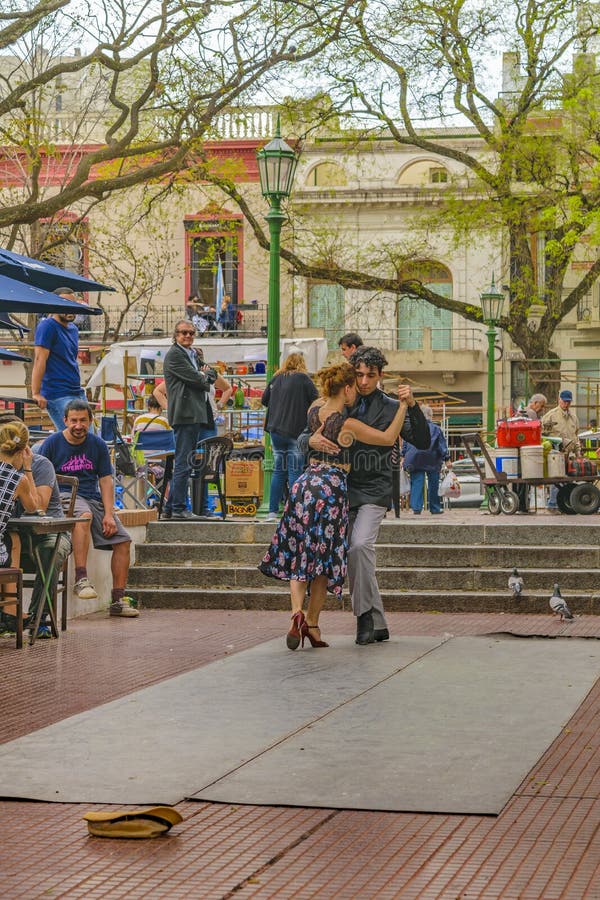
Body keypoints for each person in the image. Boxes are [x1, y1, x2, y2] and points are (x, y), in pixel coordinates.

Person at [260, 362, 409, 650]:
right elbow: (388, 438)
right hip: (330, 487)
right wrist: (403, 407)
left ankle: (297, 614)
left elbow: (303, 434)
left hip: (304, 484)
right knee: (323, 559)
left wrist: (309, 439)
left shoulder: (314, 409)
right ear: (348, 388)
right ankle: (312, 621)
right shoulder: (347, 422)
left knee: (300, 553)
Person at [302, 346, 430, 645]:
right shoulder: (339, 401)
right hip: (339, 489)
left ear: (380, 376)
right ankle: (377, 621)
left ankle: (363, 618)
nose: (363, 382)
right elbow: (303, 437)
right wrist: (310, 440)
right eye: (358, 375)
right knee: (351, 552)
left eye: (370, 376)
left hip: (375, 488)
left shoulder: (389, 406)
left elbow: (422, 440)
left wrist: (411, 406)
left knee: (359, 546)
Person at [38, 400, 139, 617]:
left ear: (90, 421)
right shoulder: (52, 443)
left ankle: (118, 600)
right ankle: (81, 579)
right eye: (73, 420)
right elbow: (42, 478)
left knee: (123, 540)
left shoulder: (98, 444)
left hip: (92, 498)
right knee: (83, 516)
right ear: (64, 421)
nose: (78, 425)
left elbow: (105, 480)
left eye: (83, 420)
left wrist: (110, 514)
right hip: (64, 496)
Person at [0, 412, 73, 640]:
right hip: (13, 534)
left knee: (49, 551)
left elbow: (38, 507)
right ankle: (9, 615)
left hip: (47, 533)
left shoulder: (41, 465)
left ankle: (37, 618)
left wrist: (28, 468)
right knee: (11, 541)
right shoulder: (12, 473)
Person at [162, 321, 218, 520]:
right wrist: (204, 375)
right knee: (184, 462)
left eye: (191, 333)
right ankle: (178, 508)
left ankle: (170, 508)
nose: (188, 336)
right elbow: (200, 380)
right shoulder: (175, 355)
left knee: (186, 460)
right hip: (185, 414)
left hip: (194, 414)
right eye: (184, 333)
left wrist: (205, 373)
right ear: (175, 335)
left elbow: (211, 373)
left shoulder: (193, 354)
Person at [261, 353, 319, 521]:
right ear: (301, 363)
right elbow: (316, 401)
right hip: (296, 430)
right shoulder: (303, 379)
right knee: (295, 471)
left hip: (276, 431)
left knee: (279, 471)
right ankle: (295, 513)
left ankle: (272, 512)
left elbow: (265, 400)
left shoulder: (276, 378)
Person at [0, 420, 41, 634]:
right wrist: (27, 468)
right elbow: (34, 506)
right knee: (11, 541)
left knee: (12, 539)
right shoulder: (18, 479)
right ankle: (10, 611)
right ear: (23, 449)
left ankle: (8, 612)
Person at [31, 286, 89, 432]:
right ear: (54, 305)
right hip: (57, 394)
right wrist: (36, 392)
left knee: (89, 438)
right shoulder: (47, 326)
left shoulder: (73, 329)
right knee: (74, 437)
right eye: (64, 304)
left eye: (72, 305)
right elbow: (39, 359)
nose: (70, 309)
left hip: (77, 391)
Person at [401, 404, 450, 515]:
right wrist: (447, 459)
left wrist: (402, 456)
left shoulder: (412, 427)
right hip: (432, 458)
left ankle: (417, 508)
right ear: (430, 416)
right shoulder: (436, 429)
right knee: (433, 483)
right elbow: (441, 445)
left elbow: (405, 443)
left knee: (417, 482)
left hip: (414, 459)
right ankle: (434, 508)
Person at [542, 389, 580, 511]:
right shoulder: (551, 415)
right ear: (559, 400)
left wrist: (578, 451)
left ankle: (565, 503)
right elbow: (542, 434)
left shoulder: (574, 417)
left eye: (568, 402)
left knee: (569, 479)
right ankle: (553, 504)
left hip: (570, 454)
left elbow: (576, 436)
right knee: (556, 478)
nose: (566, 404)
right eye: (564, 401)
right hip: (555, 453)